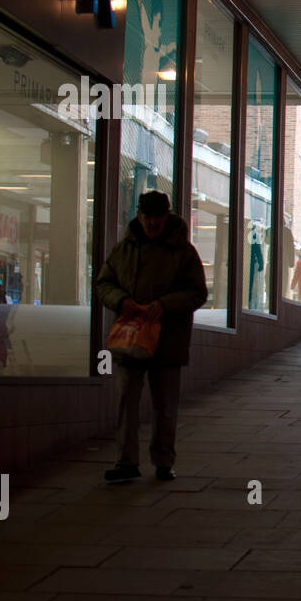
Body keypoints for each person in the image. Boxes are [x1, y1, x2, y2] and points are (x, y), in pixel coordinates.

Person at [95, 191, 209, 482]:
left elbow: (198, 293)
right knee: (126, 403)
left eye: (157, 216)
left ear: (166, 216)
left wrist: (164, 305)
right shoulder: (124, 249)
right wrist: (122, 301)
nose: (151, 222)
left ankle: (163, 461)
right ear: (139, 215)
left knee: (165, 407)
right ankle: (126, 463)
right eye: (146, 216)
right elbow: (104, 283)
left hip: (167, 342)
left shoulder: (184, 253)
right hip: (131, 341)